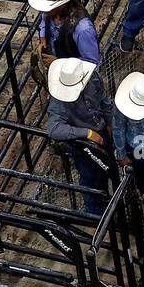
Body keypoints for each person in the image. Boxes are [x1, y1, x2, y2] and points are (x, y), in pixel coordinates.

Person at [46, 57, 113, 218]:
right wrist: (86, 133)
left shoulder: (93, 78)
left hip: (102, 130)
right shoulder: (59, 101)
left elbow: (104, 101)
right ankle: (95, 215)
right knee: (90, 176)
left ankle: (107, 206)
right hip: (84, 144)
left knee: (106, 169)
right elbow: (54, 129)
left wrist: (110, 123)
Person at [29, 0, 100, 65]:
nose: (44, 11)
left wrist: (57, 63)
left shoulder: (83, 29)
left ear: (61, 4)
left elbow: (91, 62)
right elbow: (43, 21)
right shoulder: (50, 12)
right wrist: (43, 37)